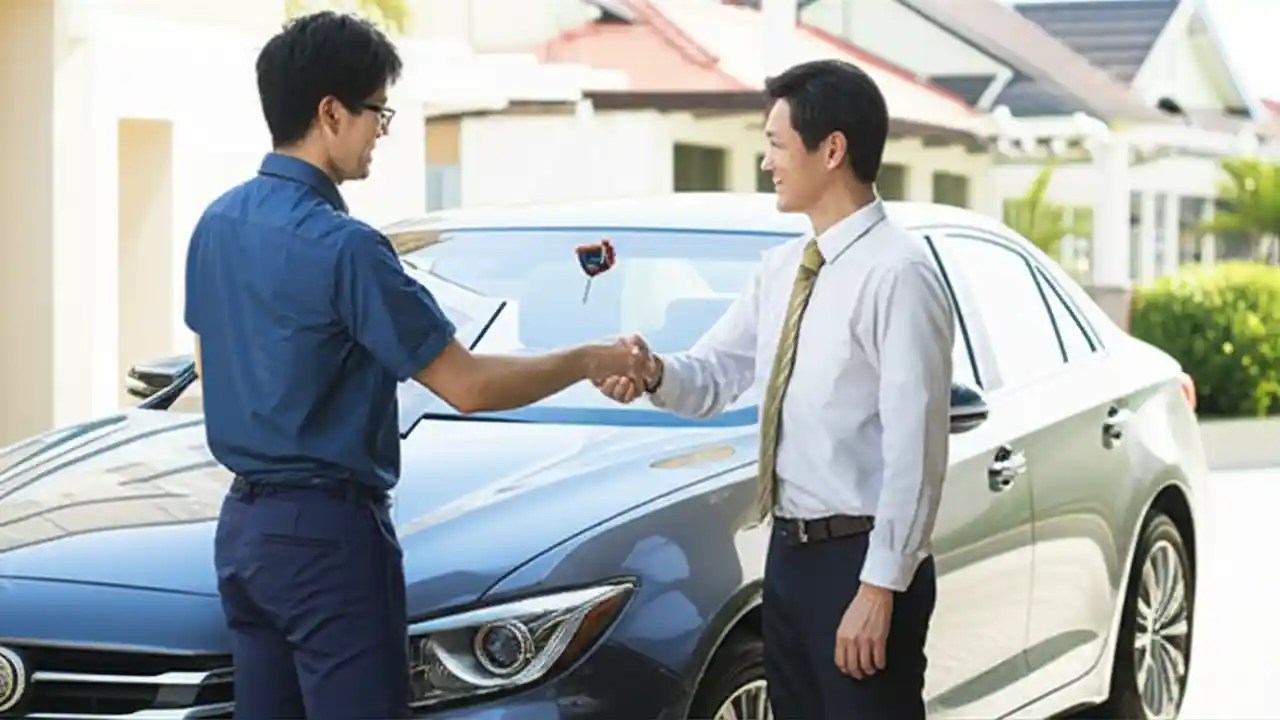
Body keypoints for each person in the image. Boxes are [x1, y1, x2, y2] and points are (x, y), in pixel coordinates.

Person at [183, 12, 649, 720]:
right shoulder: (347, 248)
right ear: (330, 113)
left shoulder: (216, 224)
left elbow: (209, 365)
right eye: (378, 111)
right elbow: (468, 385)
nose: (381, 131)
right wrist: (588, 358)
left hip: (243, 530)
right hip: (328, 535)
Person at [595, 59, 955, 719]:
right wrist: (652, 372)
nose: (767, 163)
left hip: (862, 562)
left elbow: (917, 452)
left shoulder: (899, 274)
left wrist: (880, 587)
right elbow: (712, 377)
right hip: (789, 558)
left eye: (776, 144)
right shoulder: (783, 269)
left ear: (832, 150)